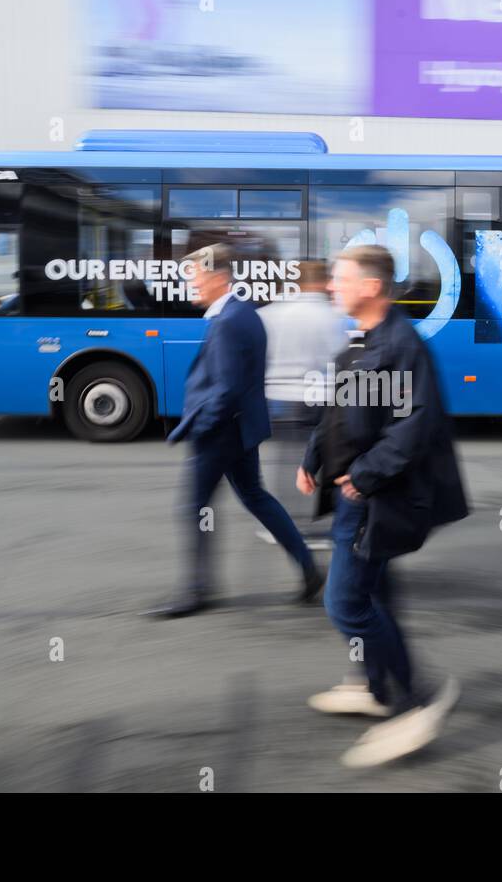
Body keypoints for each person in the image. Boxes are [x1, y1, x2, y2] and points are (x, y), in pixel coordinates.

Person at [297, 244, 469, 768]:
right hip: (361, 491)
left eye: (341, 278)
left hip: (375, 498)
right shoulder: (367, 338)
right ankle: (374, 686)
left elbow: (413, 428)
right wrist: (312, 458)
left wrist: (364, 477)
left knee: (346, 604)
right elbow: (339, 410)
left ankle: (416, 702)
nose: (331, 285)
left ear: (371, 286)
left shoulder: (401, 344)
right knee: (377, 595)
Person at [147, 244, 324, 619]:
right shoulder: (243, 313)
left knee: (193, 507)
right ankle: (308, 568)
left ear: (217, 277)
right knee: (256, 496)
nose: (190, 285)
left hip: (221, 432)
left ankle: (196, 592)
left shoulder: (228, 322)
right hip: (242, 427)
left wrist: (202, 428)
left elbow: (225, 389)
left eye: (194, 277)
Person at [257, 259, 349, 548]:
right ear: (321, 282)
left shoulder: (269, 314)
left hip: (279, 399)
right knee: (327, 462)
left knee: (284, 463)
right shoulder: (333, 315)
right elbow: (340, 358)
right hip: (320, 398)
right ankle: (326, 526)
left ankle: (286, 526)